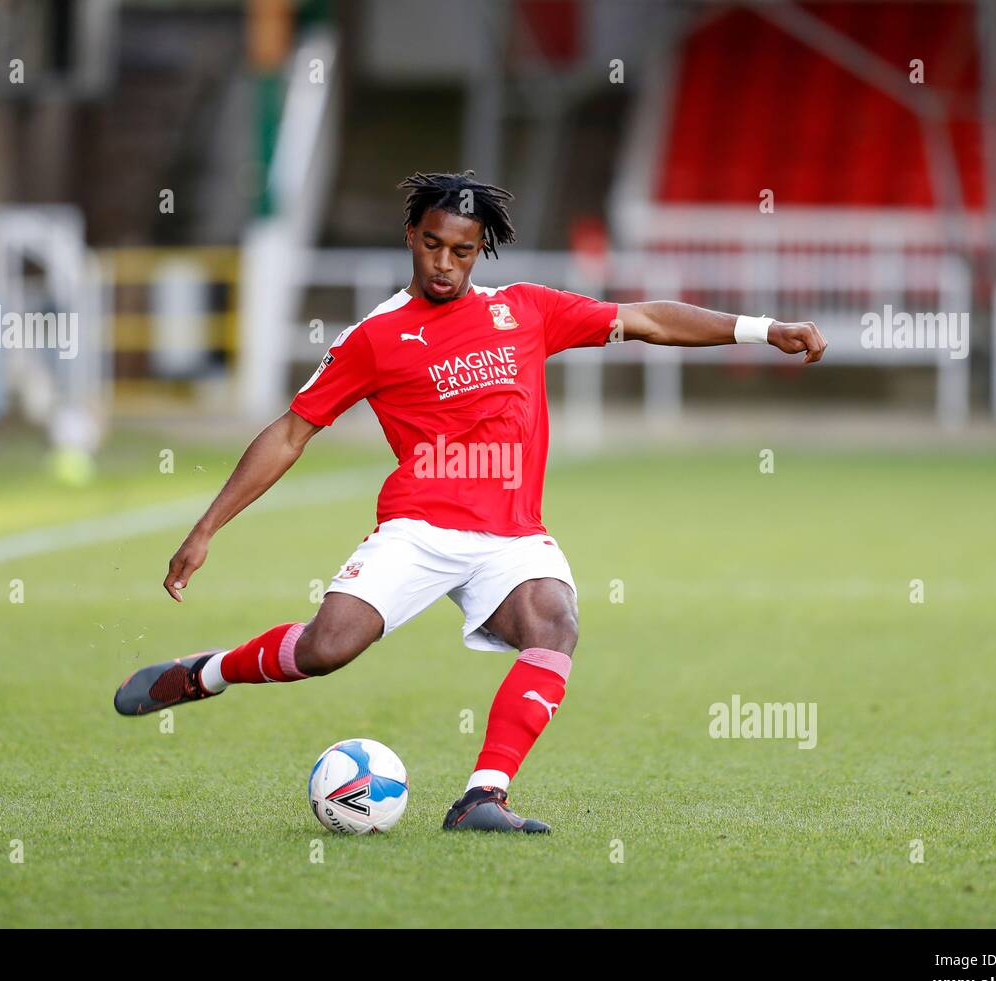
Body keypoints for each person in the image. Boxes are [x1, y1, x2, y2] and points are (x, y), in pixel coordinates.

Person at [115, 170, 827, 833]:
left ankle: (483, 796)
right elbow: (292, 431)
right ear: (411, 239)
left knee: (555, 625)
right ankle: (203, 673)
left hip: (512, 537)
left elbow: (646, 320)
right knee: (326, 651)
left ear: (480, 250)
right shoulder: (375, 337)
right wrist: (207, 527)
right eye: (431, 245)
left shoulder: (528, 311)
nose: (443, 264)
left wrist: (763, 331)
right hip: (418, 528)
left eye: (460, 250)